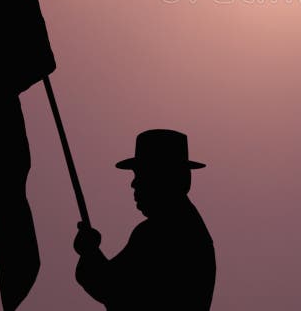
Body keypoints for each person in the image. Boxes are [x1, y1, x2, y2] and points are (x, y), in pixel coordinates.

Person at [74, 129, 216, 310]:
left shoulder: (156, 234)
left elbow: (111, 288)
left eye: (141, 174)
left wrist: (89, 252)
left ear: (165, 178)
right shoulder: (193, 231)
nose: (133, 183)